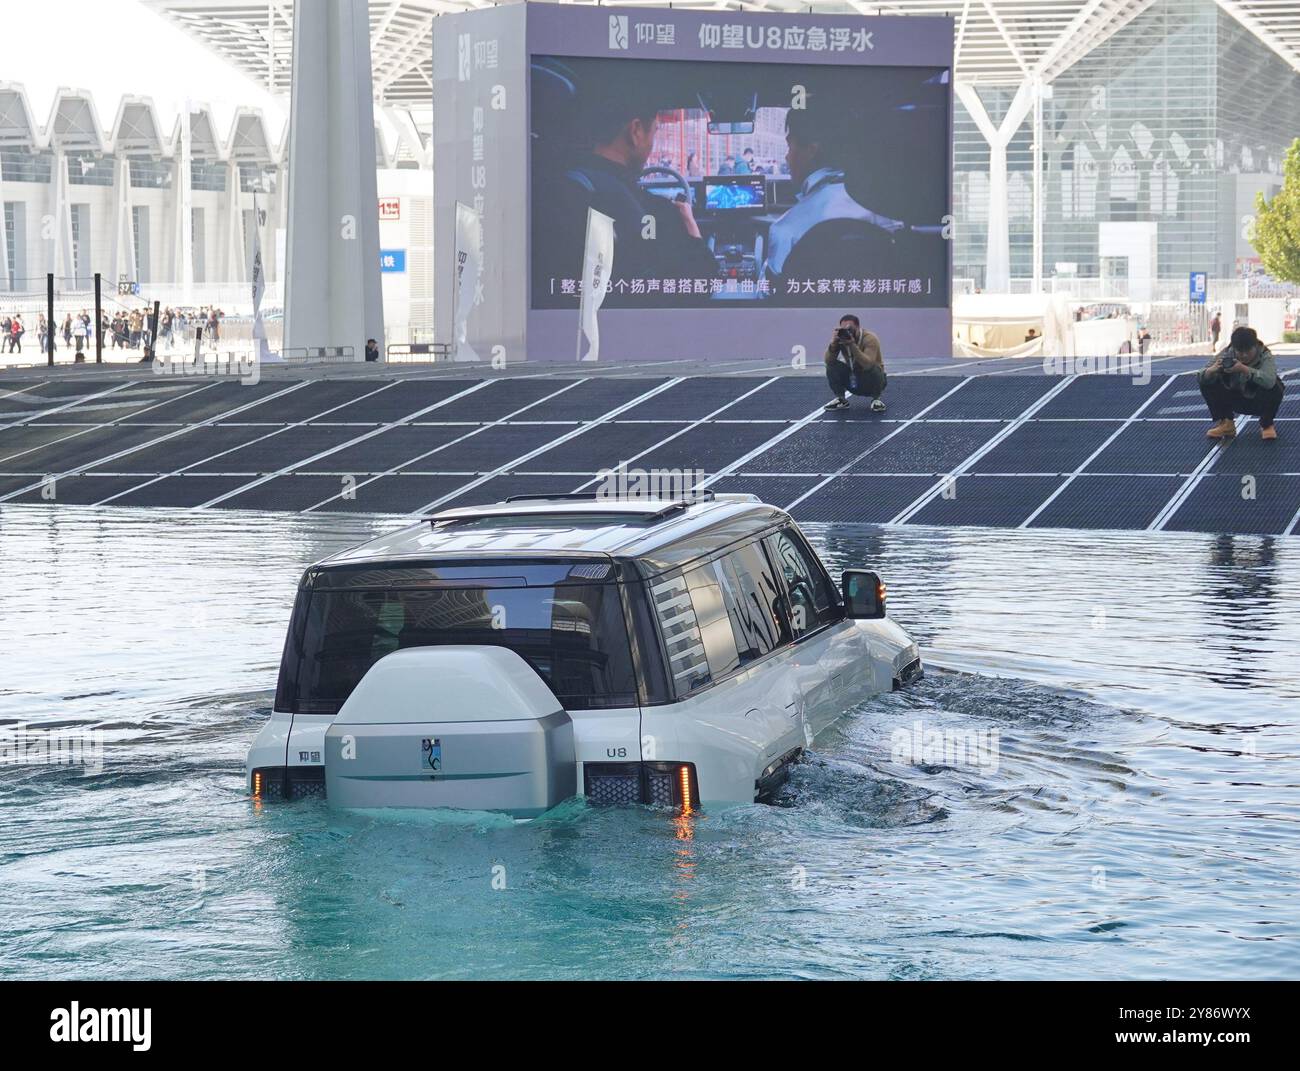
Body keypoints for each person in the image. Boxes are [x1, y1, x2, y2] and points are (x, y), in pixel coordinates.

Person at [764, 106, 905, 280]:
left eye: (789, 146)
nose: (786, 157)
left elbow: (771, 298)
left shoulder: (785, 230)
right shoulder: (894, 215)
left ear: (811, 150)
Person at [1198, 326, 1284, 441]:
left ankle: (1267, 424)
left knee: (1276, 385)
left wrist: (1244, 369)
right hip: (1235, 398)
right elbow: (1200, 375)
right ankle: (1226, 424)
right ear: (1234, 348)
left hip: (1257, 400)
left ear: (1255, 346)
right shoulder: (1227, 353)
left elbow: (1269, 381)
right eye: (1240, 351)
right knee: (1207, 380)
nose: (1244, 355)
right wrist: (1212, 370)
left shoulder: (1265, 355)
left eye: (1248, 351)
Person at [823, 314, 886, 413]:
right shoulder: (841, 338)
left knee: (874, 368)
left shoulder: (870, 338)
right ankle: (841, 399)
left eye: (850, 329)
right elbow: (828, 361)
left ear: (858, 327)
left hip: (872, 381)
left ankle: (876, 399)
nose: (847, 332)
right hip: (853, 379)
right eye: (843, 329)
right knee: (831, 365)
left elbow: (868, 364)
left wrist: (852, 345)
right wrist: (834, 344)